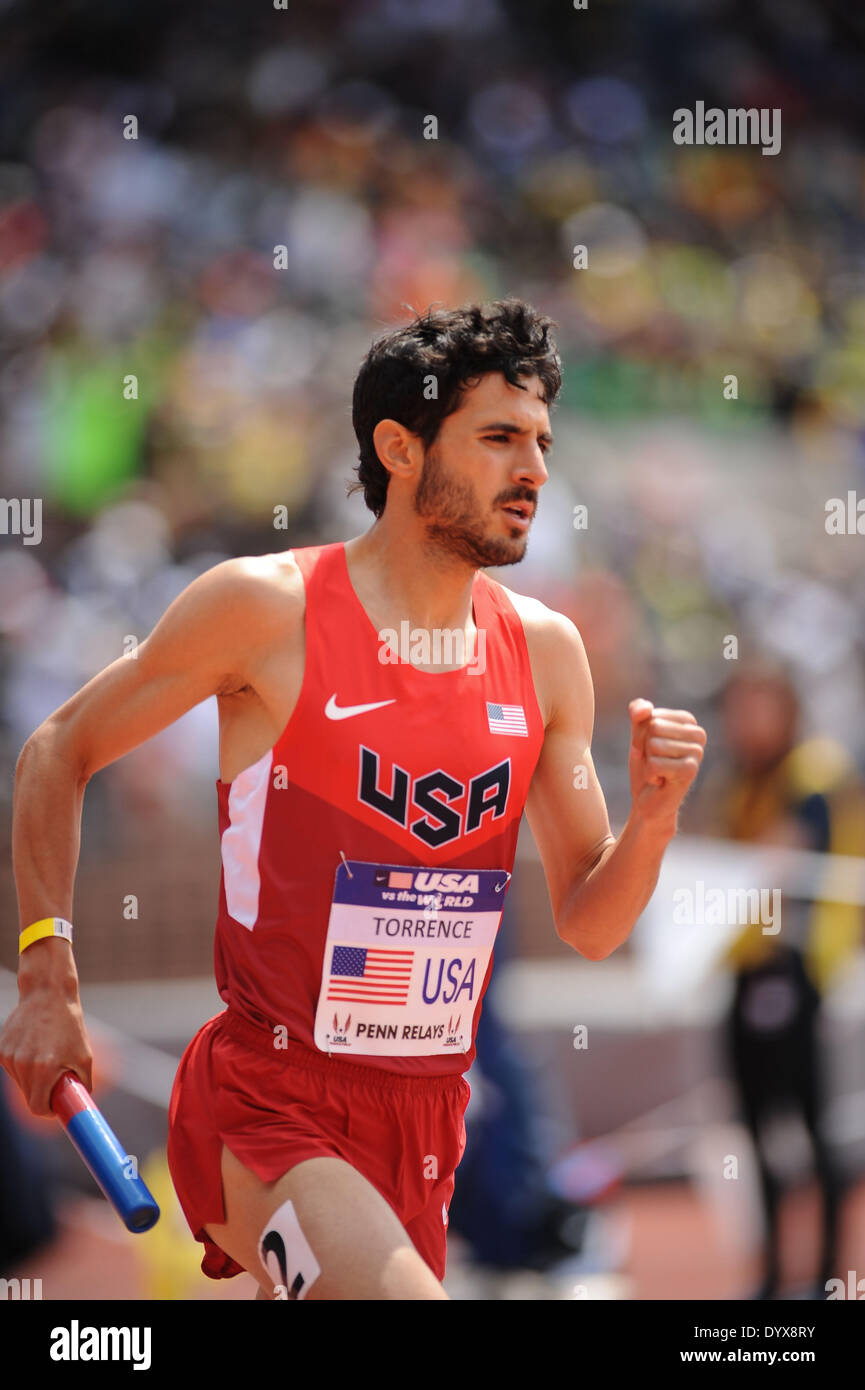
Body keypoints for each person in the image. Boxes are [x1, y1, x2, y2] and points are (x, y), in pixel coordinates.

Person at [1, 300, 706, 1300]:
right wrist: (46, 978)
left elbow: (592, 919)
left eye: (542, 441)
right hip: (267, 1105)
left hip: (427, 1122)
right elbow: (56, 747)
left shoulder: (546, 653)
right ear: (399, 447)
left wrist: (656, 817)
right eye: (499, 437)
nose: (535, 470)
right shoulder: (264, 608)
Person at [713, 666, 861, 1299]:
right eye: (738, 709)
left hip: (799, 978)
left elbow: (782, 862)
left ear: (789, 710)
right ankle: (775, 1274)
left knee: (812, 1127)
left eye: (760, 707)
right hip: (747, 977)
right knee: (754, 1129)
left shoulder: (814, 774)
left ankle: (830, 1274)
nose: (746, 723)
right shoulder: (740, 786)